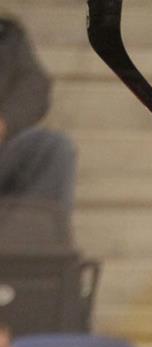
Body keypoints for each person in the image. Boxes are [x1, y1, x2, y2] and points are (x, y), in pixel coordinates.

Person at [0, 14, 76, 216]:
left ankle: (37, 242)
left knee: (55, 147)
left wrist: (5, 121)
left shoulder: (7, 34)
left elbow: (34, 85)